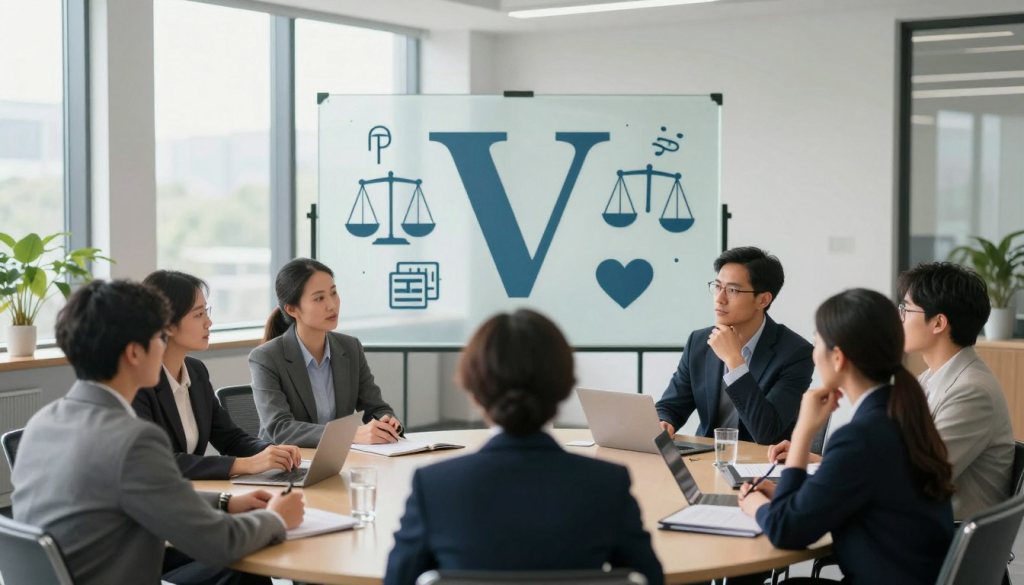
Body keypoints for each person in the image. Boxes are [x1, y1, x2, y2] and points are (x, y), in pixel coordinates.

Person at [11, 280, 304, 585]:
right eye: (158, 337)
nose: (163, 345)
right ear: (135, 353)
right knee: (245, 564)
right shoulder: (132, 439)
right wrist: (277, 517)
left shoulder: (42, 422)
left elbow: (141, 493)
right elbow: (221, 542)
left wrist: (224, 502)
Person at [384, 310, 664, 585]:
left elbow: (398, 579)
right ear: (564, 388)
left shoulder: (435, 487)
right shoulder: (607, 484)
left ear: (475, 392)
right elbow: (648, 578)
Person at [739, 289, 954, 585]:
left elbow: (785, 530)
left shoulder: (862, 436)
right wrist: (785, 496)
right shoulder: (901, 414)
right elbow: (857, 492)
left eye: (817, 343)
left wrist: (756, 503)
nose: (815, 353)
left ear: (838, 357)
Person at [132, 270, 302, 480]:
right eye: (198, 314)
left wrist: (271, 451)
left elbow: (230, 439)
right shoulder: (137, 384)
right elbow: (159, 462)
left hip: (191, 494)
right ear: (168, 325)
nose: (208, 322)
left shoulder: (196, 372)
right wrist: (245, 465)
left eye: (206, 311)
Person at [656, 246, 813, 445]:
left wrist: (734, 361)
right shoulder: (699, 341)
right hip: (705, 459)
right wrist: (665, 421)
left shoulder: (795, 354)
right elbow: (671, 406)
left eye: (732, 290)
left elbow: (767, 433)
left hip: (760, 467)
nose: (719, 299)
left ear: (763, 300)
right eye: (717, 286)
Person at [898, 262, 1014, 519]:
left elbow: (916, 477)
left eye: (905, 309)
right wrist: (826, 463)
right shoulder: (928, 379)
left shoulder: (972, 392)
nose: (900, 318)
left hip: (945, 543)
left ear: (938, 323)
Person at [250, 258, 402, 448]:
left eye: (333, 293)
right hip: (287, 463)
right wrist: (349, 434)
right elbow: (281, 429)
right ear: (292, 309)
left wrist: (386, 422)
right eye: (319, 298)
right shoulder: (266, 358)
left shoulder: (350, 348)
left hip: (337, 460)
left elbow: (376, 407)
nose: (332, 305)